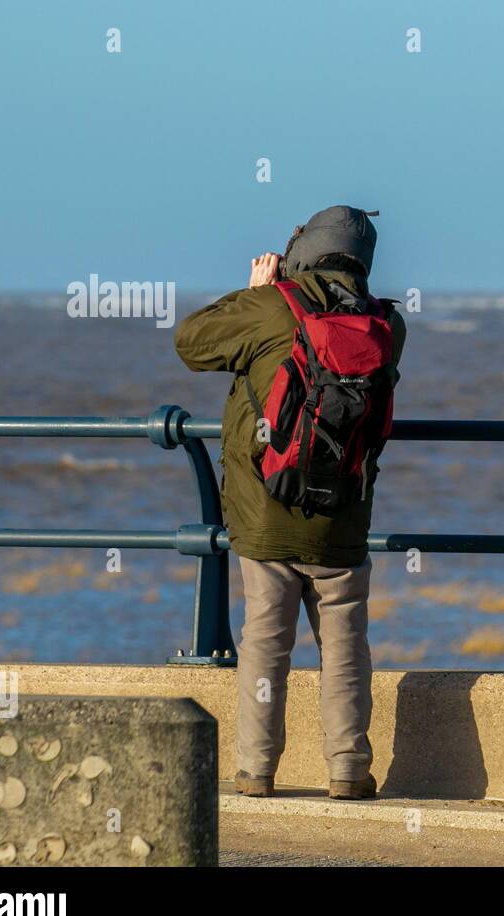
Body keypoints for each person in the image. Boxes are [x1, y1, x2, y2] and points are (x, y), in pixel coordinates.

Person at [174, 205, 406, 799]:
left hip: (266, 508)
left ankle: (256, 770)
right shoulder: (387, 325)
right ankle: (348, 769)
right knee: (345, 647)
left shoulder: (271, 306)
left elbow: (191, 343)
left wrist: (254, 293)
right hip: (344, 512)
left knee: (265, 642)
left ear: (304, 249)